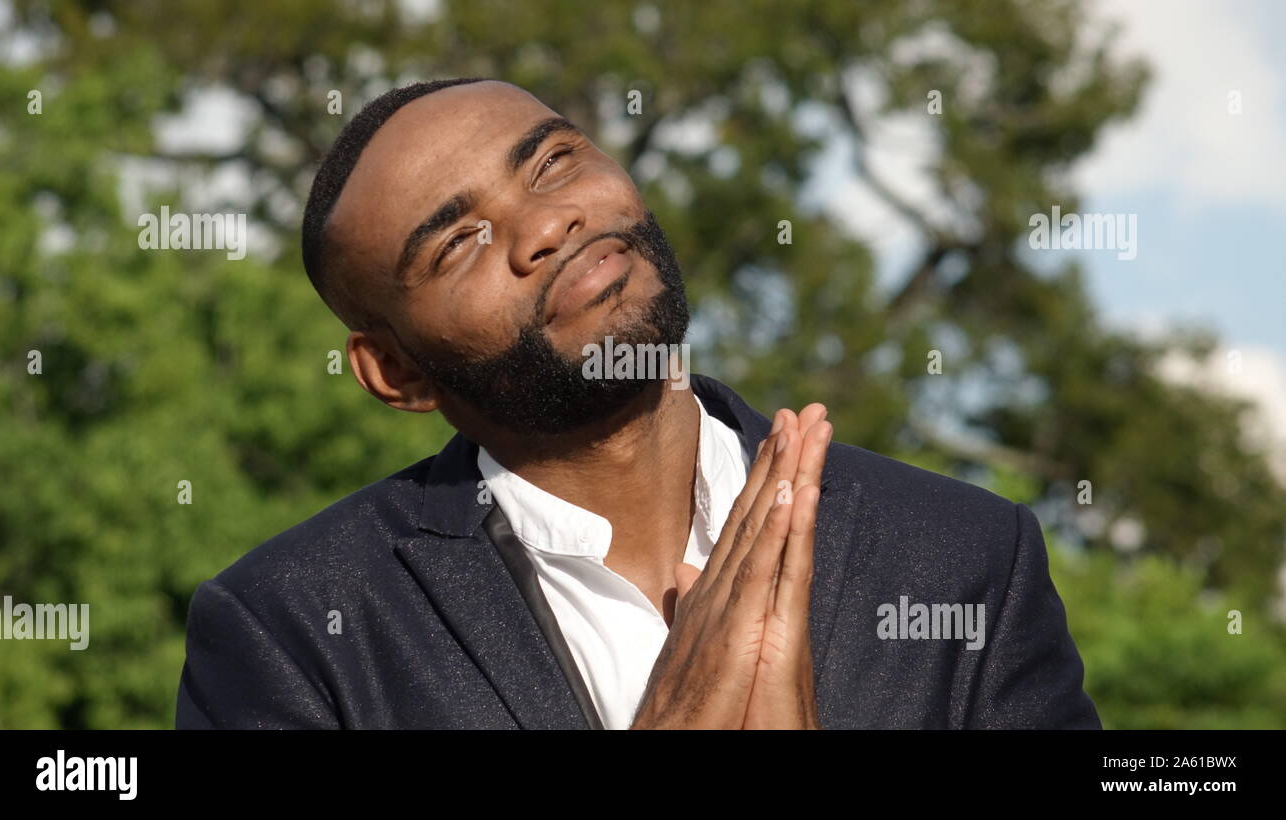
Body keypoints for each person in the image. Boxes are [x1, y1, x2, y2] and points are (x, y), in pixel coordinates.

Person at [174, 78, 1101, 730]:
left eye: (555, 164)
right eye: (458, 241)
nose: (546, 225)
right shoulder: (288, 632)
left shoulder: (961, 557)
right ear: (396, 372)